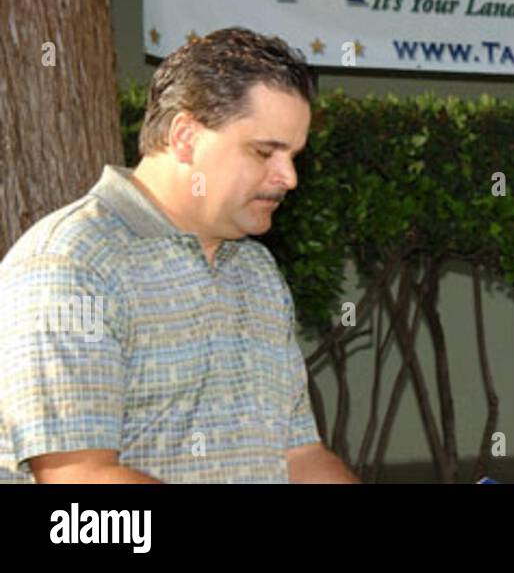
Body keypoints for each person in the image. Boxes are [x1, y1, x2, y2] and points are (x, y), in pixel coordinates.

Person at [0, 28, 358, 483]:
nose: (288, 177)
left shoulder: (255, 270)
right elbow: (78, 478)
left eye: (293, 156)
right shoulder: (73, 264)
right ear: (185, 136)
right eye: (264, 151)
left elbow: (300, 457)